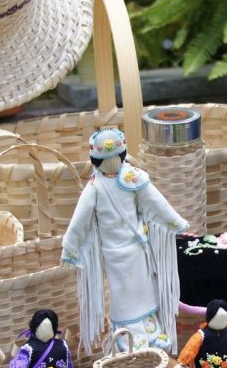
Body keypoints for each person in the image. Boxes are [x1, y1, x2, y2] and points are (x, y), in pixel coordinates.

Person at [61, 128, 189, 355]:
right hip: (131, 250)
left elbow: (78, 223)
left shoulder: (96, 186)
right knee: (132, 293)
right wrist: (176, 223)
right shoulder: (128, 178)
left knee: (134, 292)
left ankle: (141, 334)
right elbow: (157, 204)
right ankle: (141, 335)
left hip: (122, 252)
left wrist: (70, 248)